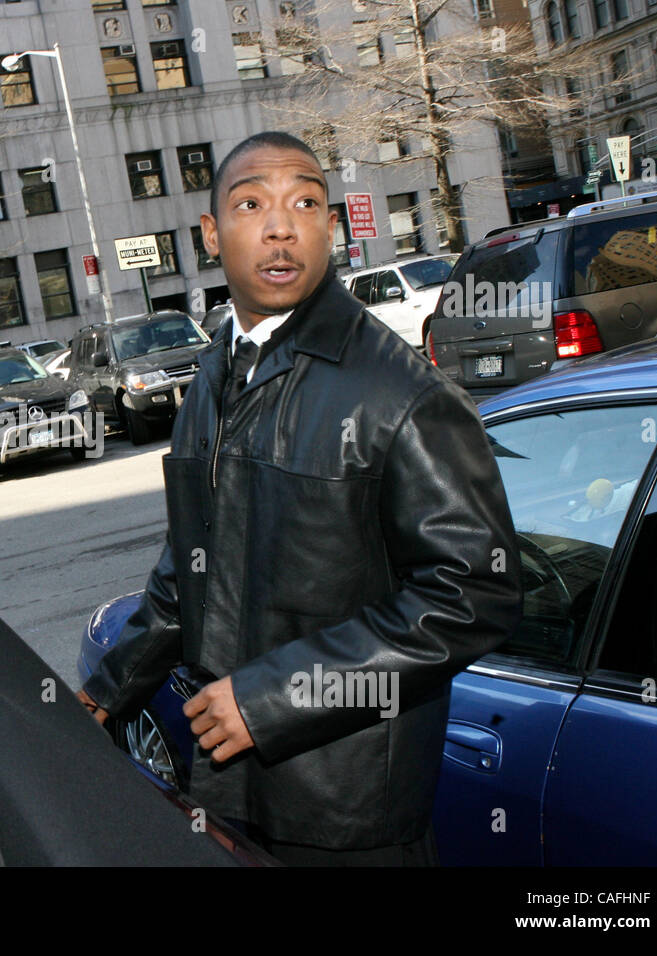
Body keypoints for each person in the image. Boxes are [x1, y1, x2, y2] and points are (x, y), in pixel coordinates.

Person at [77, 132, 522, 865]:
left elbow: (474, 594)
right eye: (252, 203)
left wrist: (274, 699)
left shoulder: (400, 392)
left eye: (306, 203)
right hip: (234, 790)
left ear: (331, 228)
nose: (282, 226)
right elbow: (193, 563)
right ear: (213, 235)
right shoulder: (217, 372)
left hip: (348, 813)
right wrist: (109, 686)